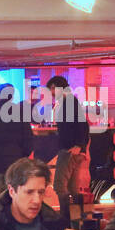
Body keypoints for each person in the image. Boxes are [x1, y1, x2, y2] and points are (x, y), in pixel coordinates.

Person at [46, 76, 90, 216]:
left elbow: (83, 126)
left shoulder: (69, 102)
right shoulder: (69, 102)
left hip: (69, 151)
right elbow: (83, 126)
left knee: (59, 185)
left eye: (52, 89)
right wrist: (81, 147)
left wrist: (79, 145)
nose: (51, 93)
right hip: (73, 150)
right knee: (73, 188)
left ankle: (65, 218)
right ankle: (76, 219)